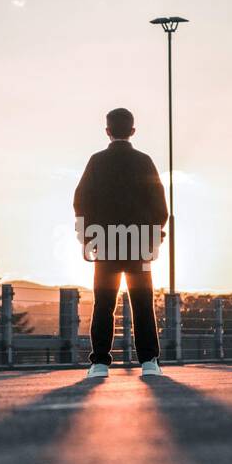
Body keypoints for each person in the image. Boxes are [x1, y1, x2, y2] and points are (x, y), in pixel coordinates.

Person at [73, 107, 168, 379]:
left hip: (105, 242)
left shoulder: (96, 162)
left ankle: (100, 363)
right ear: (133, 131)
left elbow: (81, 202)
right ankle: (149, 361)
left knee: (103, 303)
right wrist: (155, 236)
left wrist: (86, 238)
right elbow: (160, 206)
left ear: (107, 131)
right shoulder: (144, 161)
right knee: (143, 302)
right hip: (139, 244)